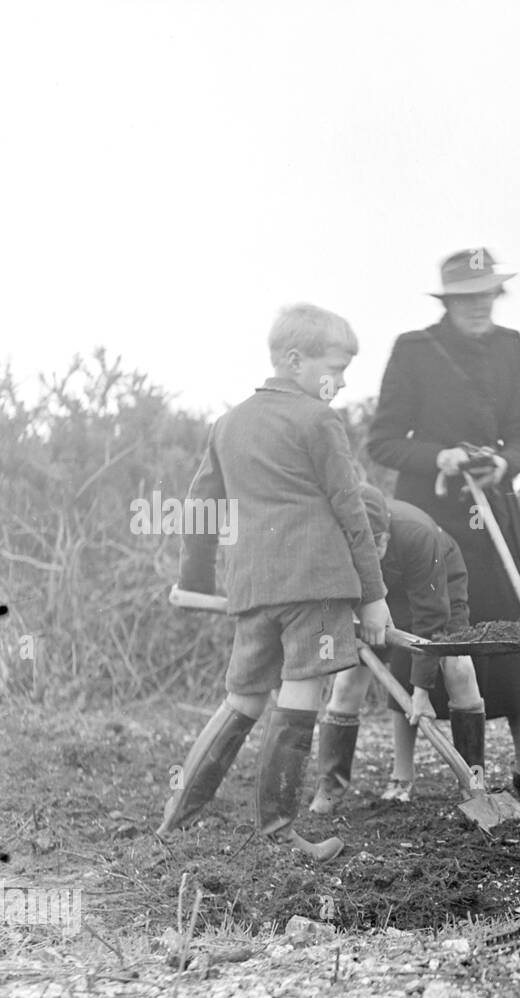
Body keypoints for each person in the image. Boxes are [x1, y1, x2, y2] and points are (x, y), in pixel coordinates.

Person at [158, 303, 389, 862]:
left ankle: (176, 819)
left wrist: (194, 578)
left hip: (253, 586)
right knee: (302, 693)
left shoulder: (228, 422)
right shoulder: (318, 420)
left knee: (243, 697)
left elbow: (201, 508)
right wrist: (375, 596)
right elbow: (350, 510)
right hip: (315, 584)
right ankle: (279, 832)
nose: (342, 380)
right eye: (335, 367)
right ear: (295, 360)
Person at [367, 248, 520, 798]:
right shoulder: (414, 351)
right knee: (420, 636)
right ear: (449, 301)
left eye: (487, 294)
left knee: (507, 634)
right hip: (429, 523)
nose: (480, 305)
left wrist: (504, 463)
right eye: (468, 297)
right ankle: (402, 775)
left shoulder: (512, 349)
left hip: (493, 521)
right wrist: (441, 457)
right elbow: (384, 441)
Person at [310, 483, 486, 810]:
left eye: (375, 545)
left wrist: (421, 692)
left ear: (386, 535)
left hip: (437, 587)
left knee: (460, 669)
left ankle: (474, 786)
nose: (366, 554)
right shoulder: (336, 538)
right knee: (347, 683)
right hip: (377, 600)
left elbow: (431, 618)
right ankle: (330, 787)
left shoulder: (417, 535)